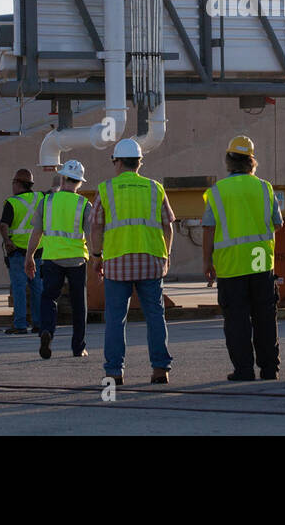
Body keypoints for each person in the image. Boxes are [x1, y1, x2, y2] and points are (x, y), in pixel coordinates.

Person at [92, 138, 174, 385]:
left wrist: (97, 256)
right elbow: (168, 226)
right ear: (139, 163)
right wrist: (166, 255)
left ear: (116, 162)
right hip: (151, 260)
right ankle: (161, 370)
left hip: (117, 262)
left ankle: (114, 373)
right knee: (155, 316)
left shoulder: (105, 189)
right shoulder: (155, 188)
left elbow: (96, 227)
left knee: (116, 319)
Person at [202, 135, 283, 381]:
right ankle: (270, 370)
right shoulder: (264, 188)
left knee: (237, 320)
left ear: (228, 161)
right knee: (265, 317)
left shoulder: (217, 192)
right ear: (252, 162)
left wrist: (207, 262)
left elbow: (208, 229)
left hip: (230, 265)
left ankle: (244, 370)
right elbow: (278, 224)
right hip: (260, 261)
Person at [25, 158, 93, 359]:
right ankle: (78, 347)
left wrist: (29, 257)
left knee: (49, 298)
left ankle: (47, 331)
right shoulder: (84, 204)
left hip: (52, 258)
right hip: (77, 260)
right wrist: (99, 257)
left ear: (63, 178)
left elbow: (36, 233)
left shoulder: (46, 202)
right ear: (79, 182)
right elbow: (91, 235)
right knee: (79, 304)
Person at [0, 168, 45, 335]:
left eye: (13, 182)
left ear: (18, 184)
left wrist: (7, 241)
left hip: (18, 252)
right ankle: (39, 323)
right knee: (37, 288)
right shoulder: (40, 198)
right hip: (38, 250)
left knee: (19, 288)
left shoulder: (12, 203)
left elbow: (3, 225)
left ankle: (20, 324)